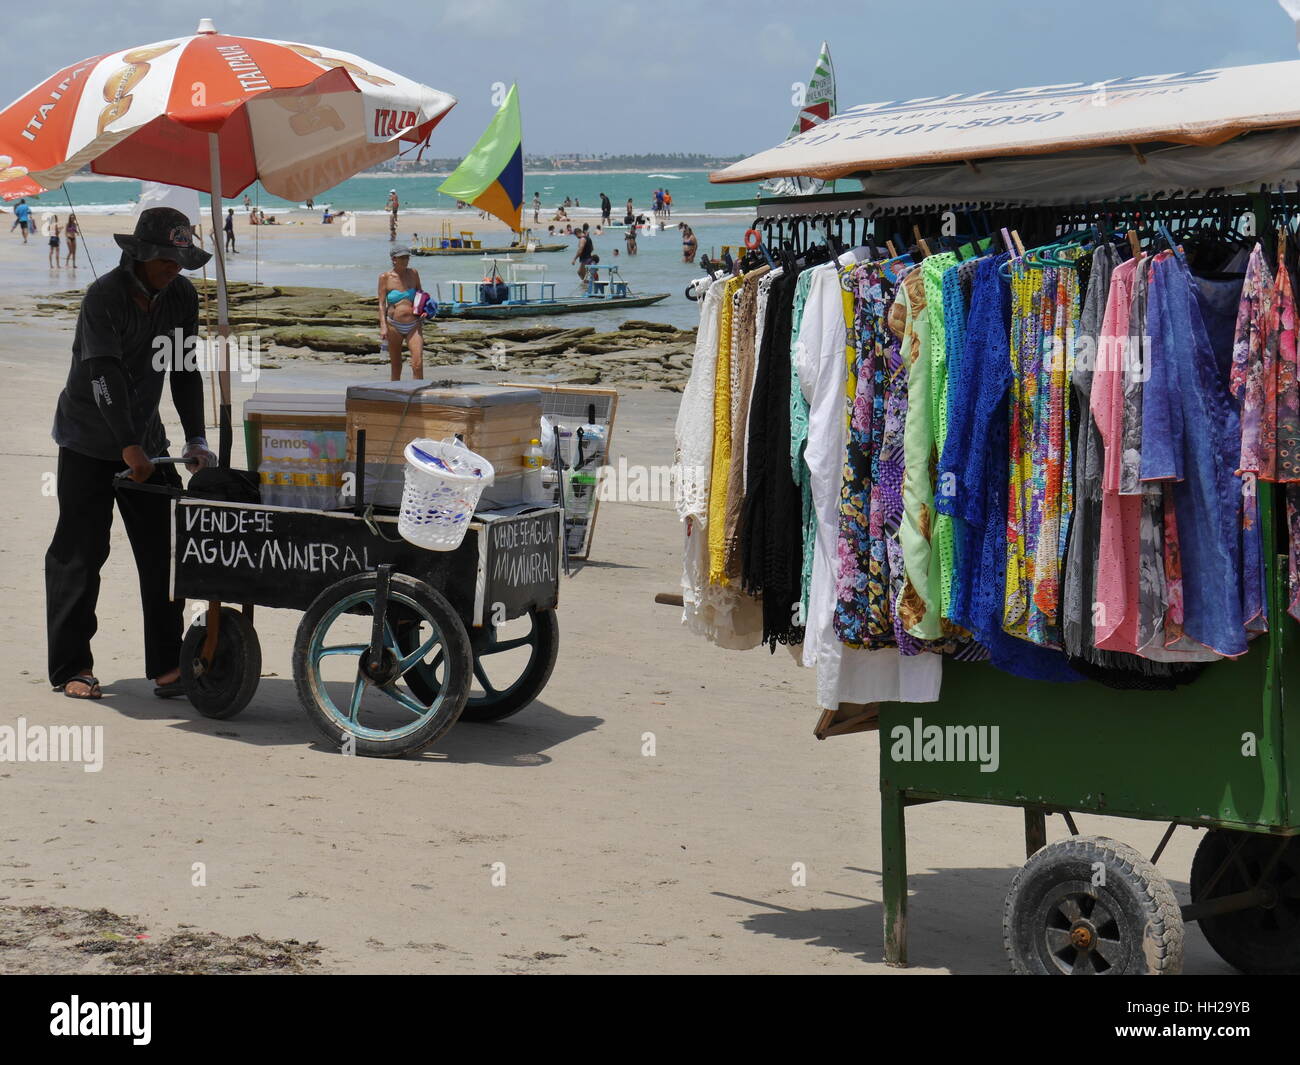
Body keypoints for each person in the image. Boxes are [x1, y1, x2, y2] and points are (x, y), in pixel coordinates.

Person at [45, 207, 216, 702]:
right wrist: (128, 447)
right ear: (139, 253)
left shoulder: (180, 296)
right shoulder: (105, 298)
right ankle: (72, 667)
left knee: (165, 551)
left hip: (149, 441)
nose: (173, 266)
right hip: (87, 439)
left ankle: (166, 665)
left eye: (180, 258)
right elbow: (103, 376)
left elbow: (183, 370)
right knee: (80, 553)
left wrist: (196, 438)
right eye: (165, 257)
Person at [378, 244, 426, 381]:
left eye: (407, 257)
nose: (406, 260)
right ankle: (395, 397)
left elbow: (420, 295)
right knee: (396, 365)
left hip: (414, 324)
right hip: (394, 325)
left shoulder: (414, 273)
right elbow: (381, 303)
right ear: (394, 259)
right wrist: (383, 326)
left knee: (417, 363)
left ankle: (417, 394)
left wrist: (424, 309)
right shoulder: (385, 278)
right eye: (402, 258)